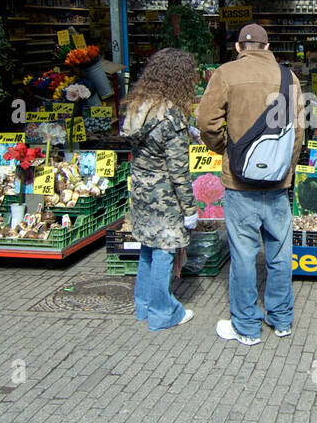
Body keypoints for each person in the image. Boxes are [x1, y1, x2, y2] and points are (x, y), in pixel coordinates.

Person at [196, 24, 304, 346]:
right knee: (280, 252)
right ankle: (281, 319)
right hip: (277, 186)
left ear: (239, 48)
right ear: (267, 45)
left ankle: (246, 326)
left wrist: (225, 149)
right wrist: (285, 169)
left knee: (243, 255)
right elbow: (298, 131)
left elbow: (205, 121)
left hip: (240, 184)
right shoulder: (289, 78)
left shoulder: (225, 74)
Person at [121, 47, 200, 332]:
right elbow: (179, 171)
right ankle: (163, 312)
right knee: (165, 251)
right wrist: (190, 210)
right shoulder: (172, 116)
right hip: (164, 195)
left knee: (147, 247)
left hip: (141, 188)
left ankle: (143, 305)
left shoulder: (139, 105)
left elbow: (150, 140)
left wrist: (186, 130)